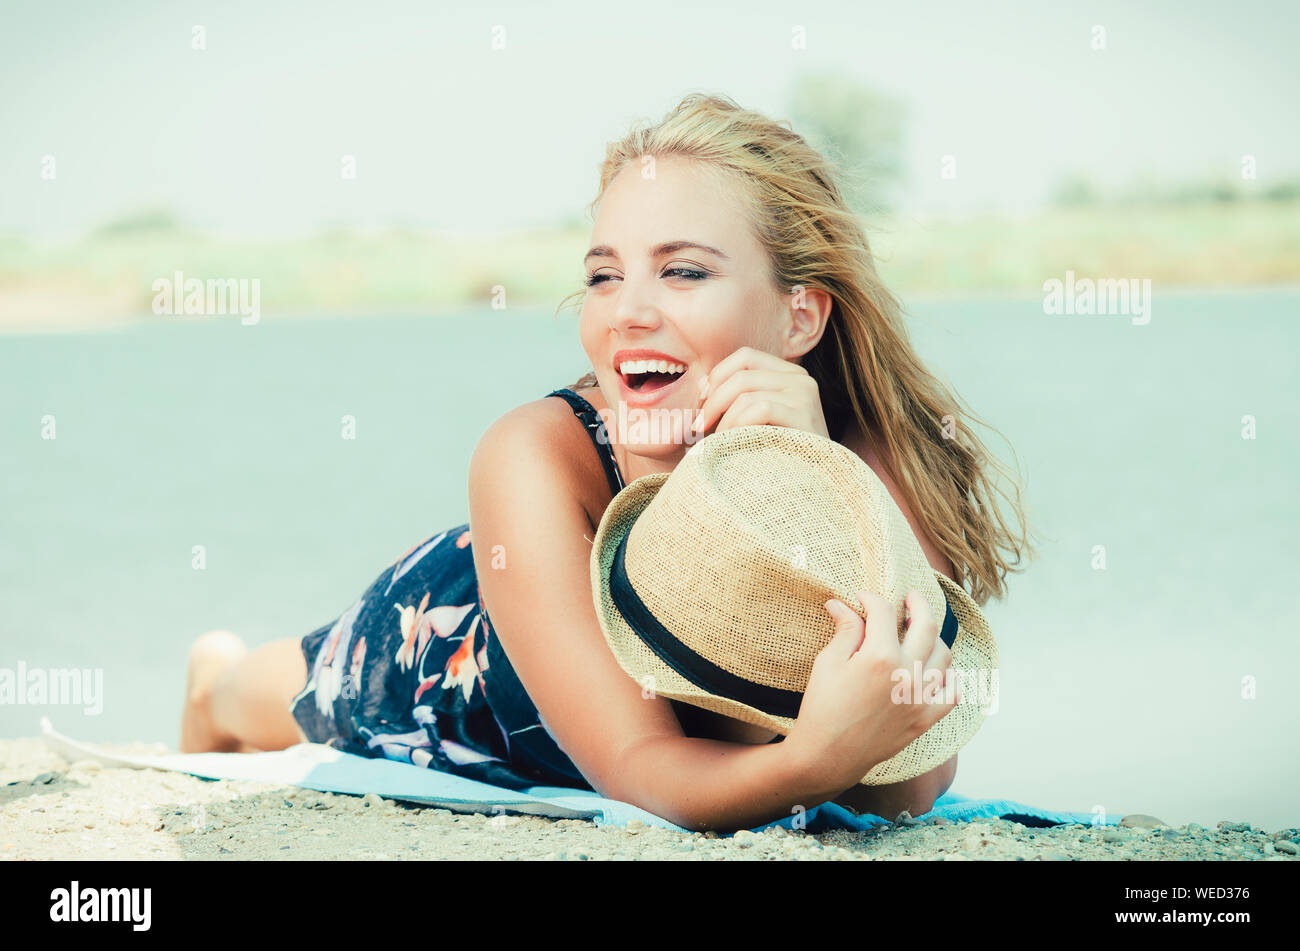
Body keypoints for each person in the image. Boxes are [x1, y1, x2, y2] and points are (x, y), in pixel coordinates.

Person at [179, 92, 1032, 833]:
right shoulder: (534, 454)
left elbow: (914, 776)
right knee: (281, 690)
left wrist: (797, 485)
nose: (627, 312)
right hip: (454, 642)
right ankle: (209, 679)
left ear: (800, 317)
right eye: (603, 275)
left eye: (684, 271)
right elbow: (643, 768)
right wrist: (809, 762)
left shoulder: (869, 466)